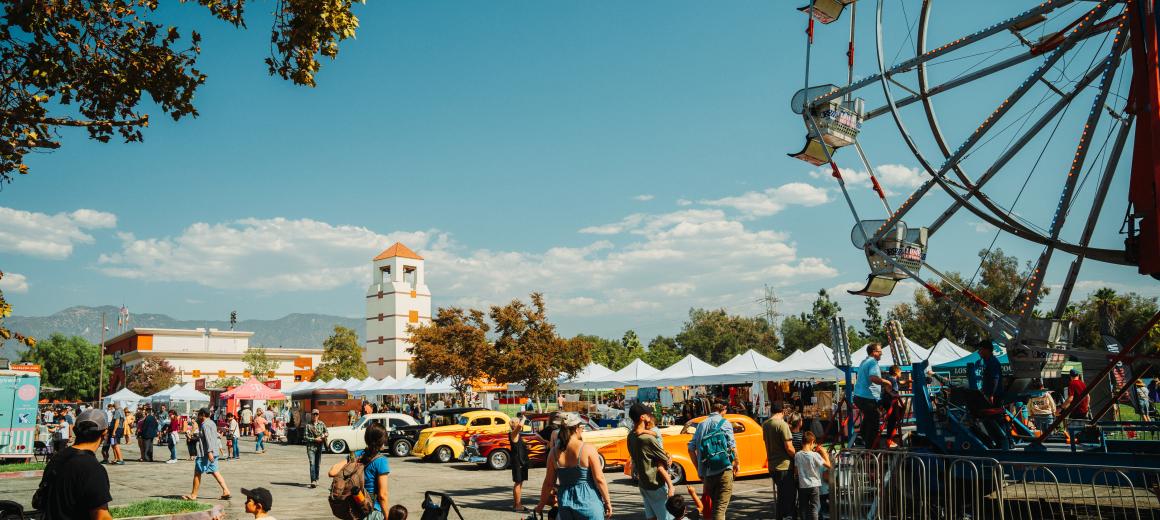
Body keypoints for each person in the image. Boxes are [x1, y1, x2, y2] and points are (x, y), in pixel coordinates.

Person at [33, 409, 113, 520]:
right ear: (104, 432)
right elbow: (101, 516)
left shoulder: (58, 457)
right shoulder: (92, 468)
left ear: (75, 430)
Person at [535, 413, 612, 519]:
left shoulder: (553, 453)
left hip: (566, 505)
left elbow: (548, 483)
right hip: (589, 502)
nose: (582, 429)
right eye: (581, 427)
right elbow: (599, 479)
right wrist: (607, 502)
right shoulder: (588, 449)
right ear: (576, 428)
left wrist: (541, 505)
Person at [328, 422, 391, 517]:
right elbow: (382, 495)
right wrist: (387, 517)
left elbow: (332, 472)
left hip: (353, 510)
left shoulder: (357, 455)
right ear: (382, 441)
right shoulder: (381, 461)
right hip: (372, 510)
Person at [688, 401, 738, 520]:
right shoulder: (725, 423)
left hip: (707, 473)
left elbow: (690, 448)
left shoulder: (701, 425)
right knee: (720, 509)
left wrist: (699, 469)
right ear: (724, 409)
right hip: (723, 469)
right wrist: (736, 463)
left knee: (710, 508)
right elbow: (732, 446)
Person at [627, 402, 674, 520]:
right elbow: (664, 459)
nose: (650, 415)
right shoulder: (646, 439)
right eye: (647, 413)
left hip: (643, 483)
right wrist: (668, 456)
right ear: (642, 417)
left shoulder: (630, 436)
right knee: (666, 517)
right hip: (655, 484)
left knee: (651, 517)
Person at [183, 408, 231, 501]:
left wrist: (209, 452)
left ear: (203, 415)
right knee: (215, 472)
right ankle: (226, 491)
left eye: (199, 415)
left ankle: (193, 495)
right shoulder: (212, 423)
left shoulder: (205, 425)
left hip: (205, 453)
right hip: (214, 451)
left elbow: (208, 439)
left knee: (197, 473)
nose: (198, 417)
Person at [762, 402, 795, 520]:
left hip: (772, 465)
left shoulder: (765, 424)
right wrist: (797, 456)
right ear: (783, 411)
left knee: (781, 496)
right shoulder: (782, 424)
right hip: (784, 465)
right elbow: (789, 447)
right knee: (787, 497)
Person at [853, 343, 889, 448]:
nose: (881, 353)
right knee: (874, 422)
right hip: (867, 397)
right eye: (880, 351)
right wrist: (887, 382)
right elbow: (873, 378)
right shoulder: (873, 362)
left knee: (869, 418)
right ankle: (871, 448)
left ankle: (862, 437)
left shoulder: (864, 361)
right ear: (874, 352)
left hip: (858, 396)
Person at [793, 431, 832, 520]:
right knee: (815, 508)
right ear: (811, 442)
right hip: (814, 485)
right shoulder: (815, 455)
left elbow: (796, 472)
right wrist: (824, 453)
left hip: (803, 485)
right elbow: (828, 465)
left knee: (803, 508)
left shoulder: (797, 455)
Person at [509, 415, 531, 513]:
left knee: (520, 483)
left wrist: (526, 447)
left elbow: (518, 447)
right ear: (515, 424)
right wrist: (524, 418)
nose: (520, 424)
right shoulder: (513, 433)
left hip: (521, 461)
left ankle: (517, 504)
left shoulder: (517, 435)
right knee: (518, 483)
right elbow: (519, 427)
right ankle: (517, 505)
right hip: (518, 462)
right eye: (518, 422)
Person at [303, 409, 328, 488]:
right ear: (311, 415)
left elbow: (327, 432)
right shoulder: (308, 425)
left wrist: (324, 435)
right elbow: (305, 437)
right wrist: (314, 439)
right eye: (314, 414)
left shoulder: (322, 424)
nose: (315, 416)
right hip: (311, 448)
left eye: (316, 414)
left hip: (319, 447)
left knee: (317, 464)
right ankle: (313, 480)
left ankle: (317, 478)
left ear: (318, 415)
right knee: (312, 463)